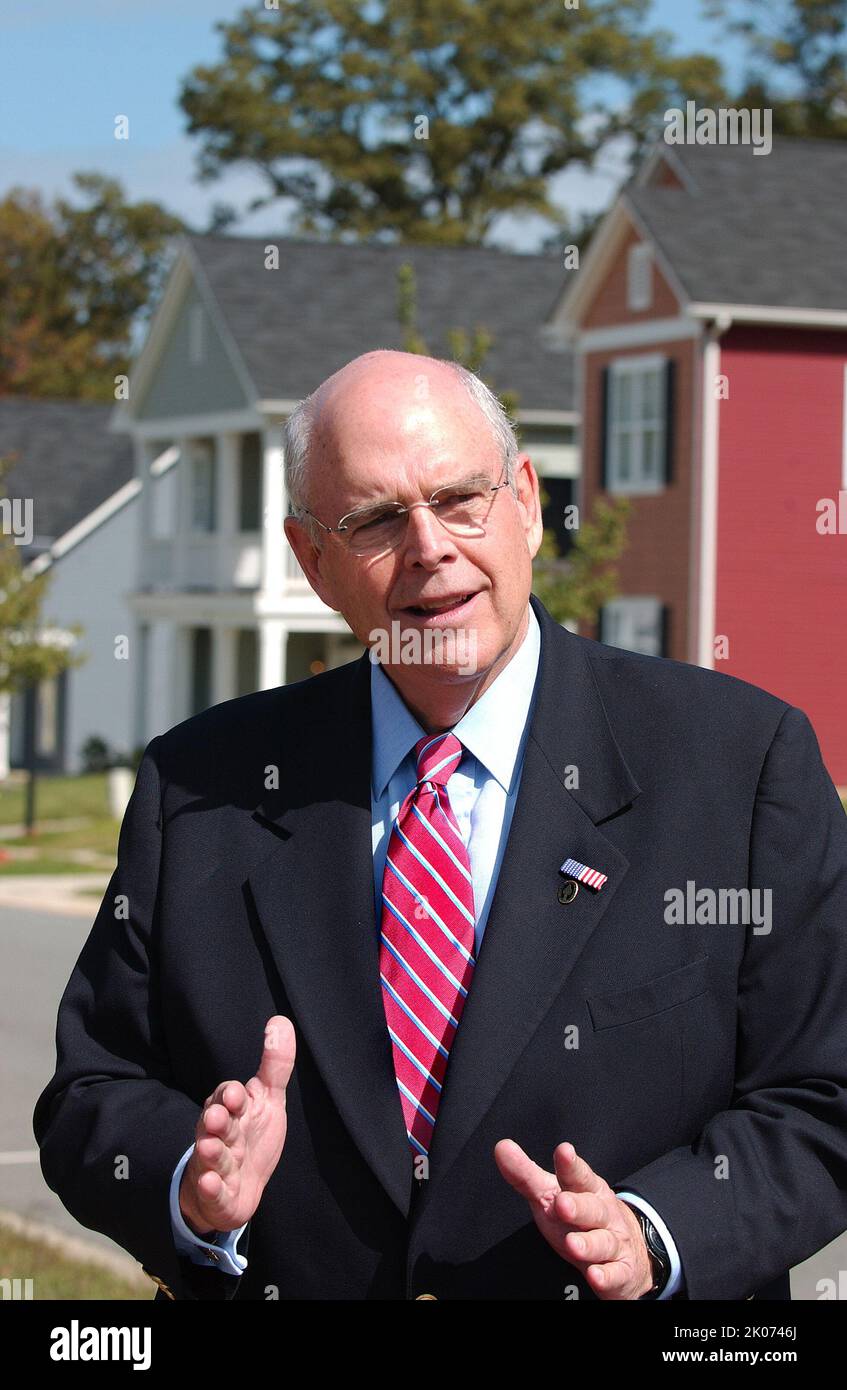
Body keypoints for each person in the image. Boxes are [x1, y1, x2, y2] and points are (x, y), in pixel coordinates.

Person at [34, 350, 847, 1301]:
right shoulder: (201, 786)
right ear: (312, 560)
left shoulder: (739, 765)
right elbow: (95, 1093)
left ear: (529, 504)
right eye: (376, 520)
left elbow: (823, 1097)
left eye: (461, 498)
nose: (429, 548)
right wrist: (192, 1185)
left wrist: (656, 1235)